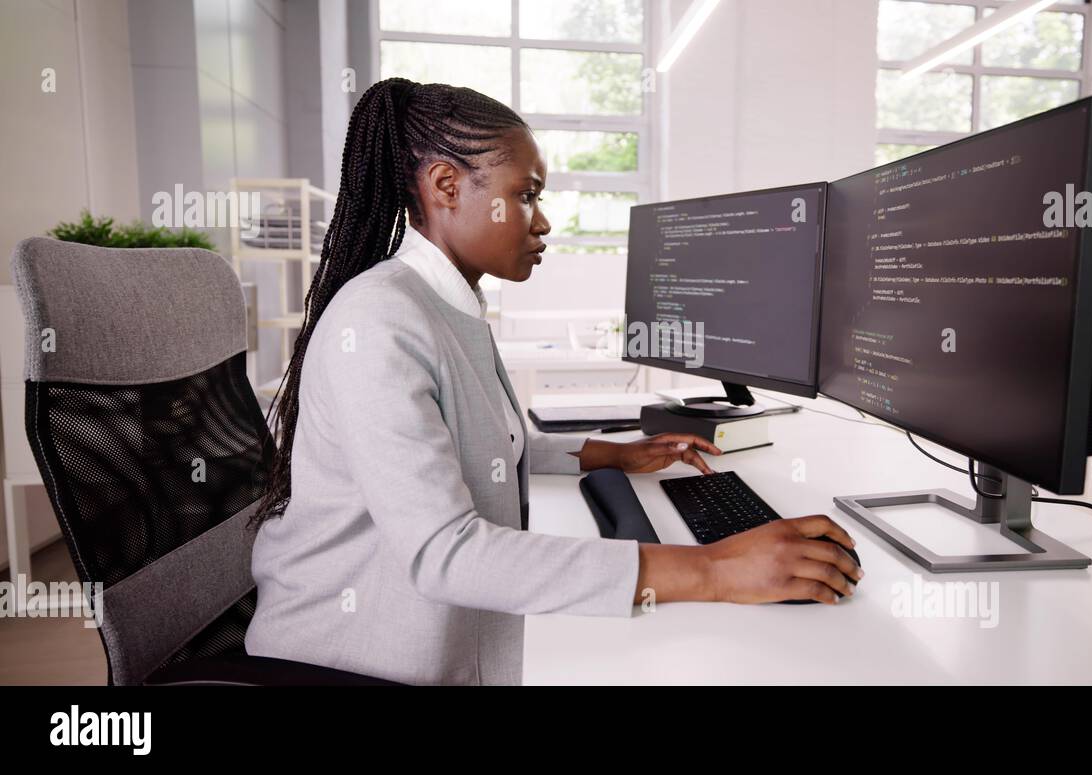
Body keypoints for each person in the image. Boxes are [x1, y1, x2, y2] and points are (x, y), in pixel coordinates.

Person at [244, 78, 862, 685]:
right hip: (344, 659)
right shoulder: (379, 321)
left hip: (428, 639)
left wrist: (611, 453)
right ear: (446, 186)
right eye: (525, 196)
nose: (542, 223)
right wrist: (713, 570)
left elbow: (469, 442)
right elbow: (445, 555)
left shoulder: (441, 304)